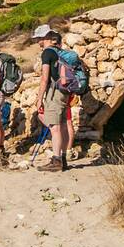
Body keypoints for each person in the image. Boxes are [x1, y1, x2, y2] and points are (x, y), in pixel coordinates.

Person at [33, 26, 72, 172]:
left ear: (44, 38)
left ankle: (56, 162)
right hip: (64, 91)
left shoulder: (47, 53)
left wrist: (39, 98)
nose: (37, 41)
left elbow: (44, 78)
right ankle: (63, 158)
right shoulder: (59, 51)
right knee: (62, 126)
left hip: (54, 92)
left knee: (55, 128)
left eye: (38, 38)